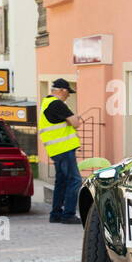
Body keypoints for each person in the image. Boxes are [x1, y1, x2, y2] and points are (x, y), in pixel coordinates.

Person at [39, 78, 82, 224]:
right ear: (61, 90)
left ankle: (56, 214)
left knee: (62, 181)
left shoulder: (46, 103)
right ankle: (68, 214)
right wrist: (75, 119)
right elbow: (75, 123)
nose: (69, 95)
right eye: (68, 92)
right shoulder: (57, 103)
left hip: (56, 150)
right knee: (75, 180)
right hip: (64, 149)